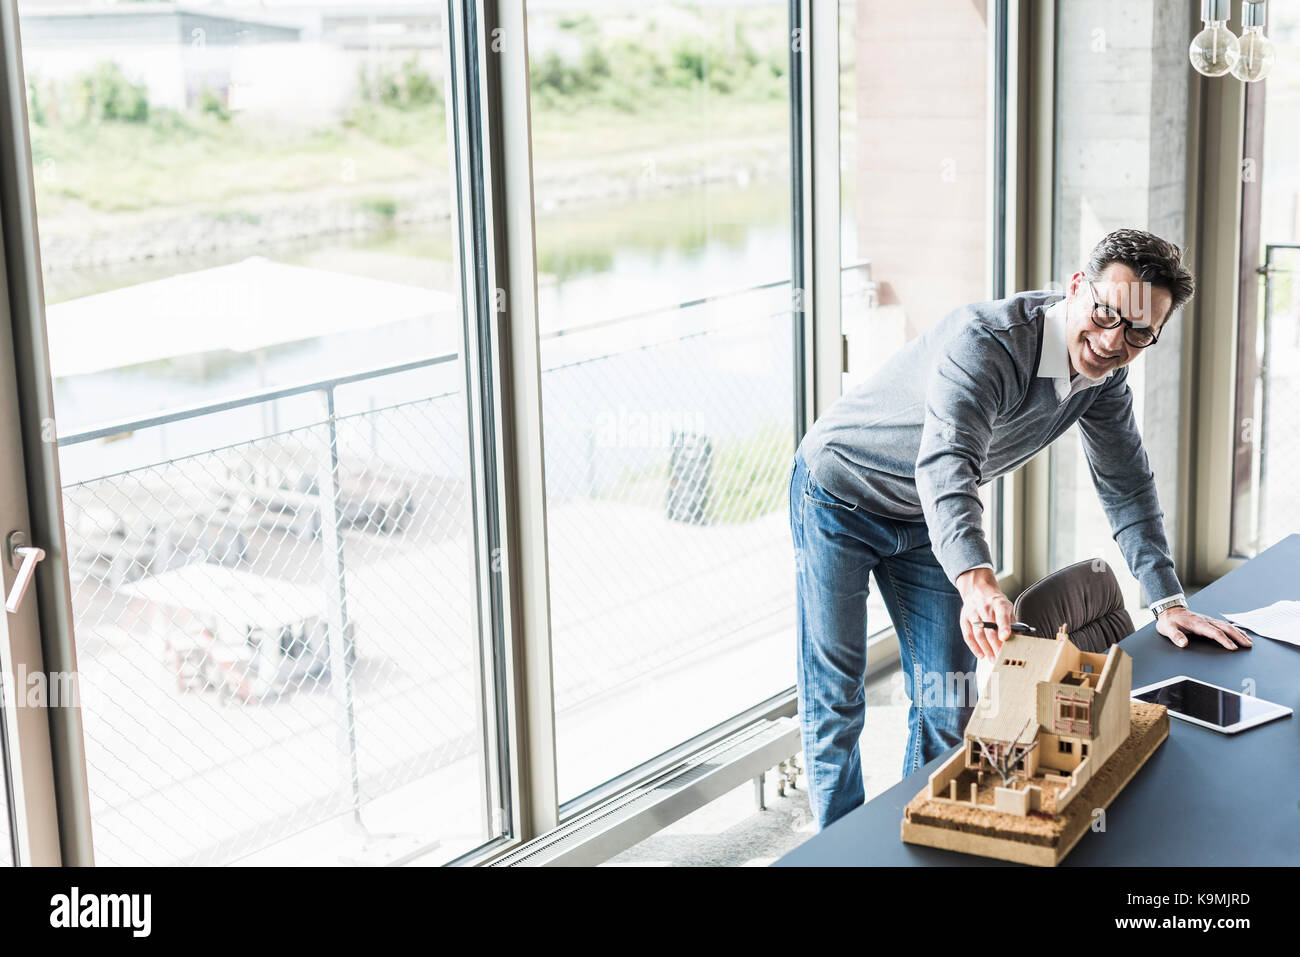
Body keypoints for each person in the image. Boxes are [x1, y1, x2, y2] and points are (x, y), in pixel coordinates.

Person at [789, 228, 1252, 830]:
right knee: (837, 702)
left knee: (946, 699)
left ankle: (924, 839)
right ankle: (837, 850)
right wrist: (976, 579)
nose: (1113, 340)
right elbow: (946, 463)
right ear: (1078, 287)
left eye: (1139, 332)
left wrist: (1165, 597)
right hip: (839, 495)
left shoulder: (1105, 378)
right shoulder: (985, 342)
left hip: (928, 520)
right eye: (1106, 312)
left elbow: (1126, 481)